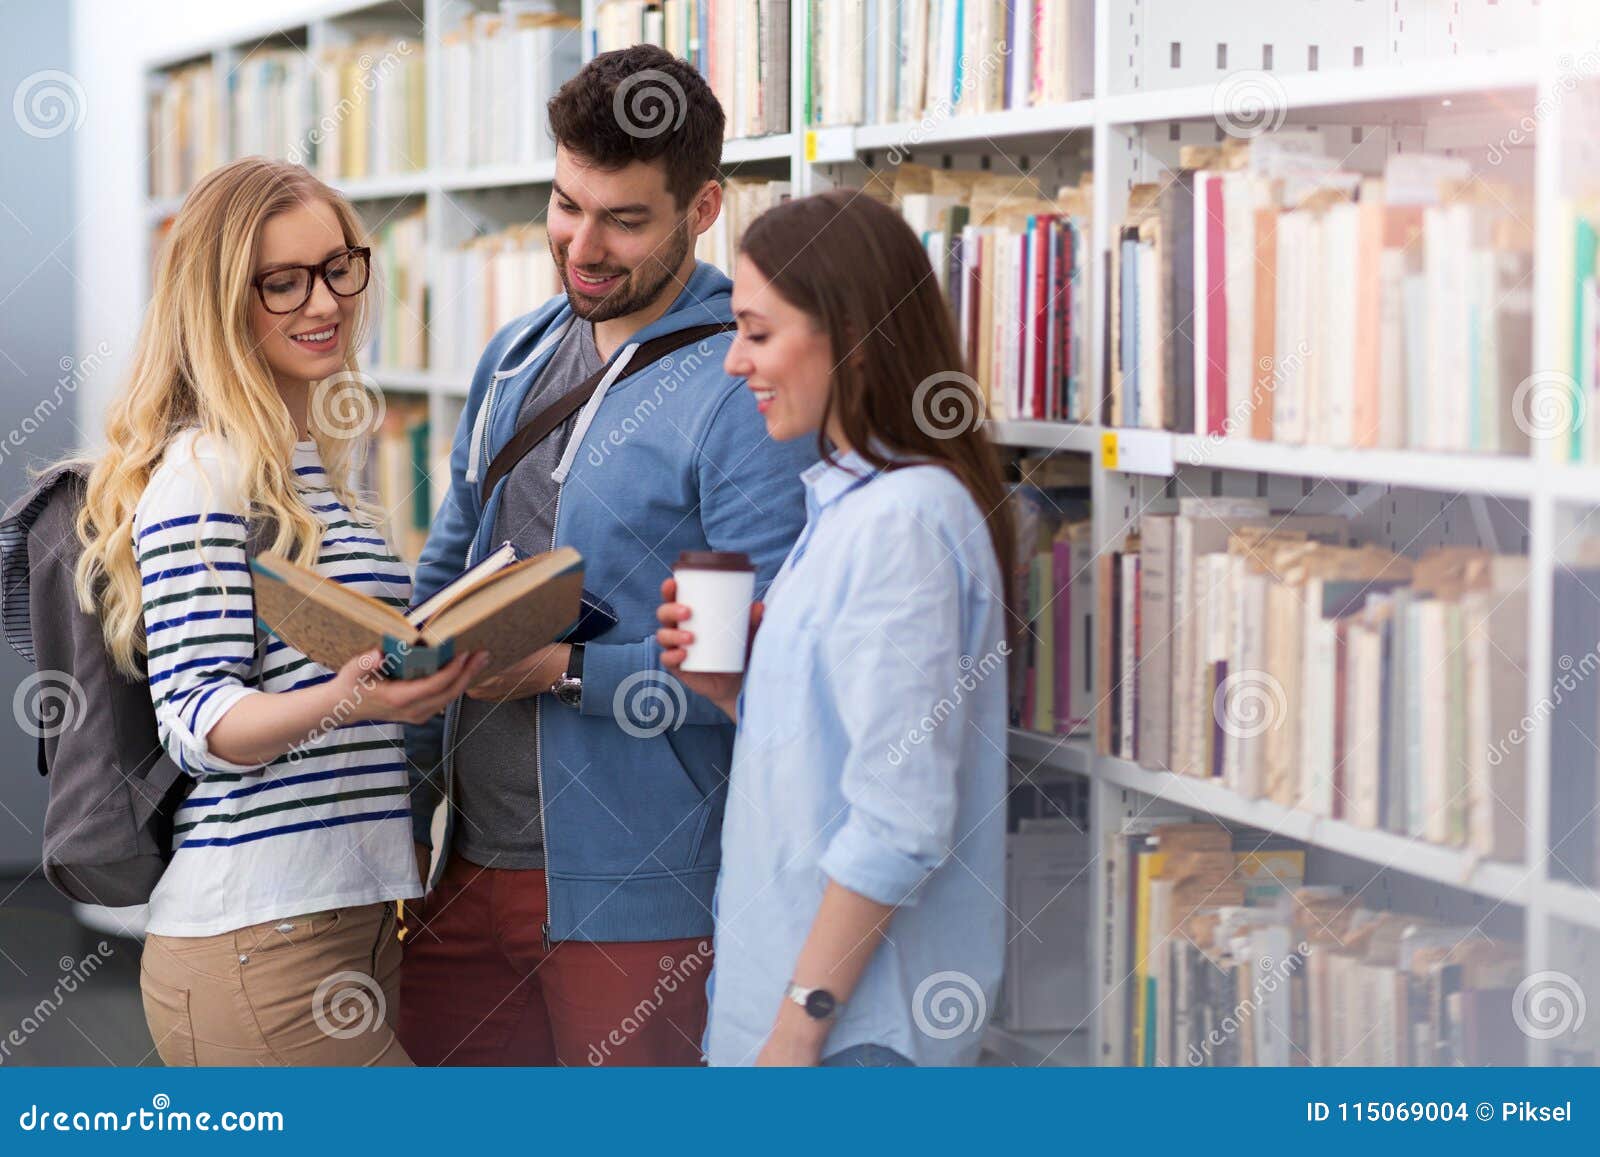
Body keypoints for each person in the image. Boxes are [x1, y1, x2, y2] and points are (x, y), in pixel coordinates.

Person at [397, 45, 811, 1067]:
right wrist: (401, 799)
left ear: (702, 207)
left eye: (624, 220)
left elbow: (767, 666)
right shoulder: (518, 351)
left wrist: (569, 671)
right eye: (566, 204)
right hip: (465, 860)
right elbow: (442, 576)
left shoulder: (739, 388)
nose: (582, 246)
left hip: (641, 891)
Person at [67, 157, 480, 1065]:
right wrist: (356, 698)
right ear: (219, 303)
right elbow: (199, 719)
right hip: (261, 942)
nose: (324, 301)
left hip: (343, 927)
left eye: (338, 267)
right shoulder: (205, 475)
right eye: (281, 283)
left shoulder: (307, 470)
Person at [656, 189, 1015, 1066]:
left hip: (849, 1038)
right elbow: (851, 763)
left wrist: (795, 1029)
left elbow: (902, 818)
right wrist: (738, 691)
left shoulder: (901, 523)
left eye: (758, 330)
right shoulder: (847, 505)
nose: (735, 361)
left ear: (848, 334)